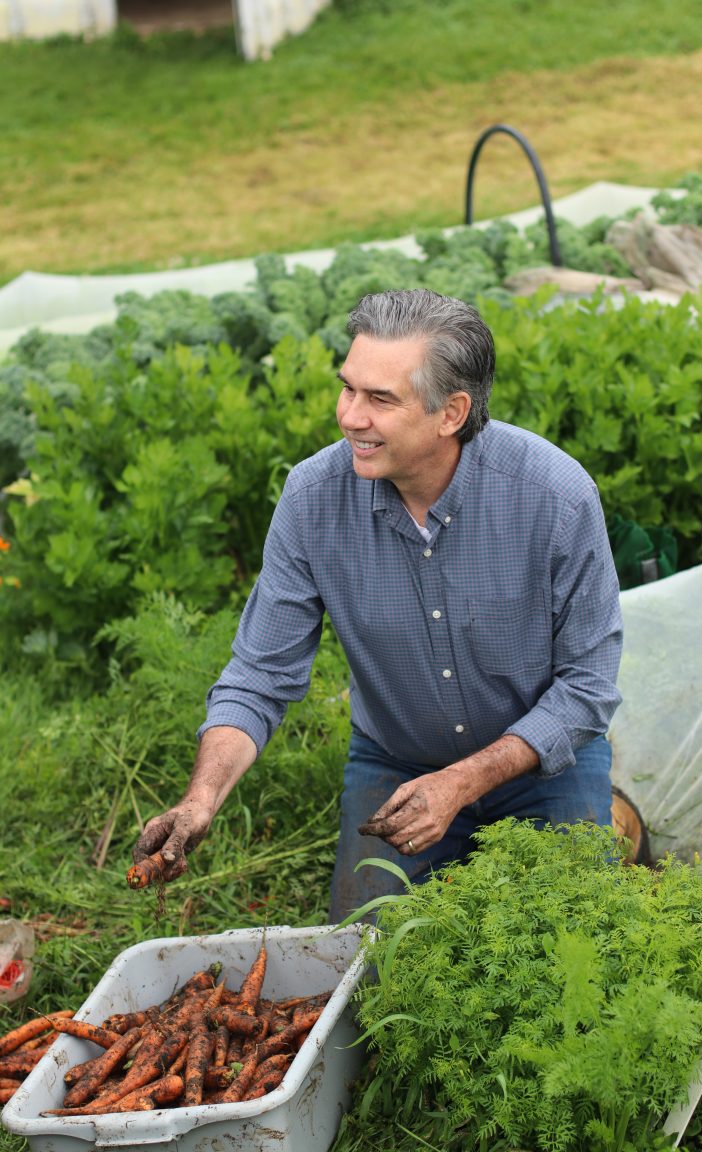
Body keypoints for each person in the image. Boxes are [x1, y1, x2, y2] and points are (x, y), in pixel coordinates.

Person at [133, 288, 623, 921]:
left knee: (578, 949)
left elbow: (586, 688)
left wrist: (461, 781)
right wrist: (200, 800)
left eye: (380, 400)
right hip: (396, 765)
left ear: (452, 412)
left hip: (543, 767)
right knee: (366, 963)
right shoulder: (313, 498)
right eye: (349, 389)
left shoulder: (554, 498)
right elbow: (259, 676)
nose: (349, 417)